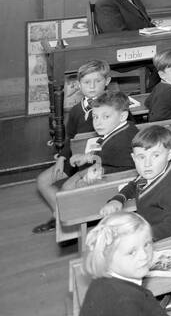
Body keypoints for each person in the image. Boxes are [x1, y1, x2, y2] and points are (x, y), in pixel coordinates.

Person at [33, 60, 113, 234]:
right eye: (86, 82)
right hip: (76, 158)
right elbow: (70, 137)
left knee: (67, 189)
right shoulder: (77, 110)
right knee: (43, 181)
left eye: (97, 81)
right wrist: (62, 158)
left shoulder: (111, 108)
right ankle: (60, 216)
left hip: (97, 161)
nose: (92, 87)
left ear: (107, 82)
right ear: (78, 85)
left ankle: (77, 219)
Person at [98, 125, 171, 241]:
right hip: (150, 228)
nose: (147, 163)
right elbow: (134, 185)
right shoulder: (153, 172)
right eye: (141, 157)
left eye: (155, 156)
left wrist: (140, 236)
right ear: (133, 158)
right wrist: (118, 199)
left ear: (169, 155)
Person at [67, 91, 137, 183]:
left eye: (106, 117)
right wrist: (87, 157)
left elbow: (130, 171)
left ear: (123, 116)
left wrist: (102, 171)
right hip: (105, 168)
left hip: (114, 180)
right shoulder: (128, 127)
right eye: (95, 117)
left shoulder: (118, 143)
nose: (98, 123)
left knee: (69, 185)